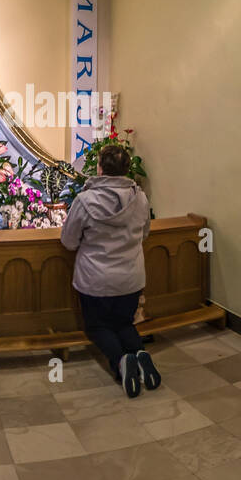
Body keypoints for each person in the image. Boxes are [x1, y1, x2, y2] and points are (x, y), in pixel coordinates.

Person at [60, 142, 161, 397]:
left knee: (97, 327)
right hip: (130, 278)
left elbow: (68, 241)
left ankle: (120, 361)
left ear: (100, 167)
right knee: (124, 323)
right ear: (127, 169)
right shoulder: (140, 198)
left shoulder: (84, 200)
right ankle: (139, 354)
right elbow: (145, 233)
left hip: (96, 280)